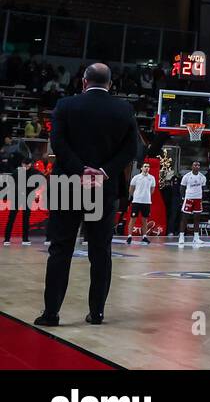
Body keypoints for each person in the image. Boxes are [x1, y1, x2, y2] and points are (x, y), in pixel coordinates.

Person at [38, 63, 140, 327]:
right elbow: (132, 150)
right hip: (103, 190)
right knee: (100, 251)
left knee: (60, 250)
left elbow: (58, 144)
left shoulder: (65, 105)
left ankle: (51, 314)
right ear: (110, 84)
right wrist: (103, 172)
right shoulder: (124, 109)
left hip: (67, 186)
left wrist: (80, 169)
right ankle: (97, 314)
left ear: (84, 82)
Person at [1, 138, 34, 245]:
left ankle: (25, 239)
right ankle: (7, 239)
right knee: (12, 218)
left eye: (29, 165)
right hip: (17, 197)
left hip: (27, 198)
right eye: (26, 165)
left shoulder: (32, 172)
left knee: (26, 219)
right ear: (22, 164)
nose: (27, 167)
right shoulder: (16, 172)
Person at [123, 162, 157, 245]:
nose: (147, 168)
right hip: (137, 201)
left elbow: (152, 190)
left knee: (145, 219)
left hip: (147, 202)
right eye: (145, 166)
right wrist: (136, 196)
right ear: (141, 168)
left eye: (148, 167)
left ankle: (144, 236)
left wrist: (146, 196)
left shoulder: (152, 178)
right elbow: (131, 189)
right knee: (133, 218)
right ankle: (129, 236)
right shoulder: (136, 177)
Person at [178, 161, 207, 246]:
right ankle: (181, 236)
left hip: (198, 199)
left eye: (198, 165)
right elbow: (182, 188)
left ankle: (196, 237)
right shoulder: (186, 177)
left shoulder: (202, 177)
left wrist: (202, 198)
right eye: (195, 165)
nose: (197, 166)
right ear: (192, 166)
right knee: (184, 218)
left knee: (197, 218)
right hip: (189, 198)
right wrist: (183, 198)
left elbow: (203, 189)